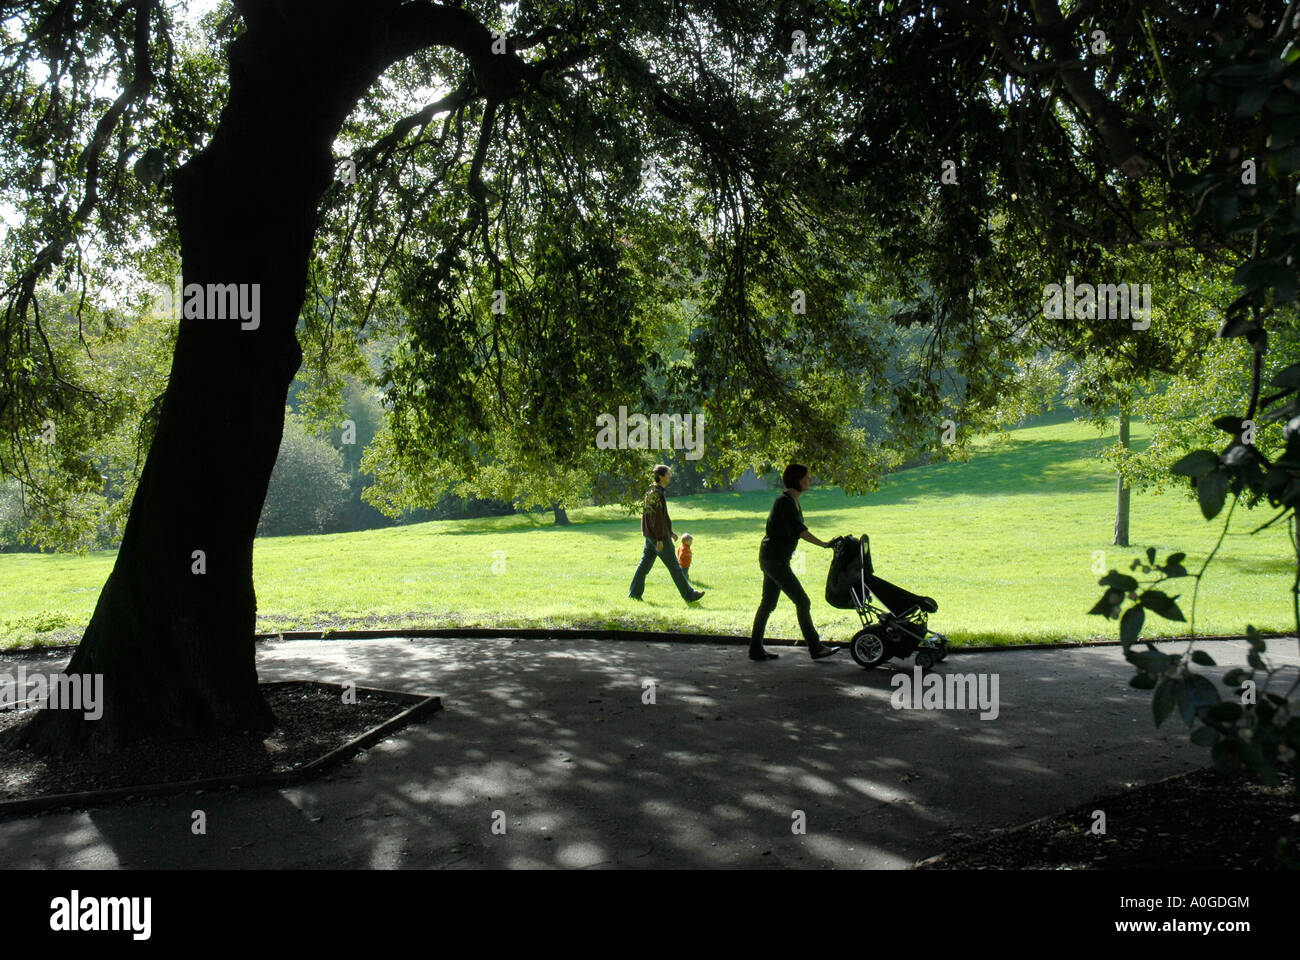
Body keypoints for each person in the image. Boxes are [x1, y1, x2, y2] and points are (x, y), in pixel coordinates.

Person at [750, 463, 839, 661]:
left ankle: (755, 649)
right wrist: (824, 544)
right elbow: (799, 530)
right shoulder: (785, 502)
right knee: (802, 600)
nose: (810, 480)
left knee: (768, 603)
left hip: (773, 557)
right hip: (774, 559)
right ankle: (815, 647)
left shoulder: (791, 501)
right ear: (798, 480)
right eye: (807, 477)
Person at [628, 465, 705, 604]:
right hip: (658, 538)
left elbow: (660, 518)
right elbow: (656, 519)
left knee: (644, 566)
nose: (670, 476)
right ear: (661, 476)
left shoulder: (652, 491)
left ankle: (634, 594)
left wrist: (669, 532)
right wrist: (660, 539)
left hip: (651, 536)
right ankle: (689, 594)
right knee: (675, 567)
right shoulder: (656, 493)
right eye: (668, 474)